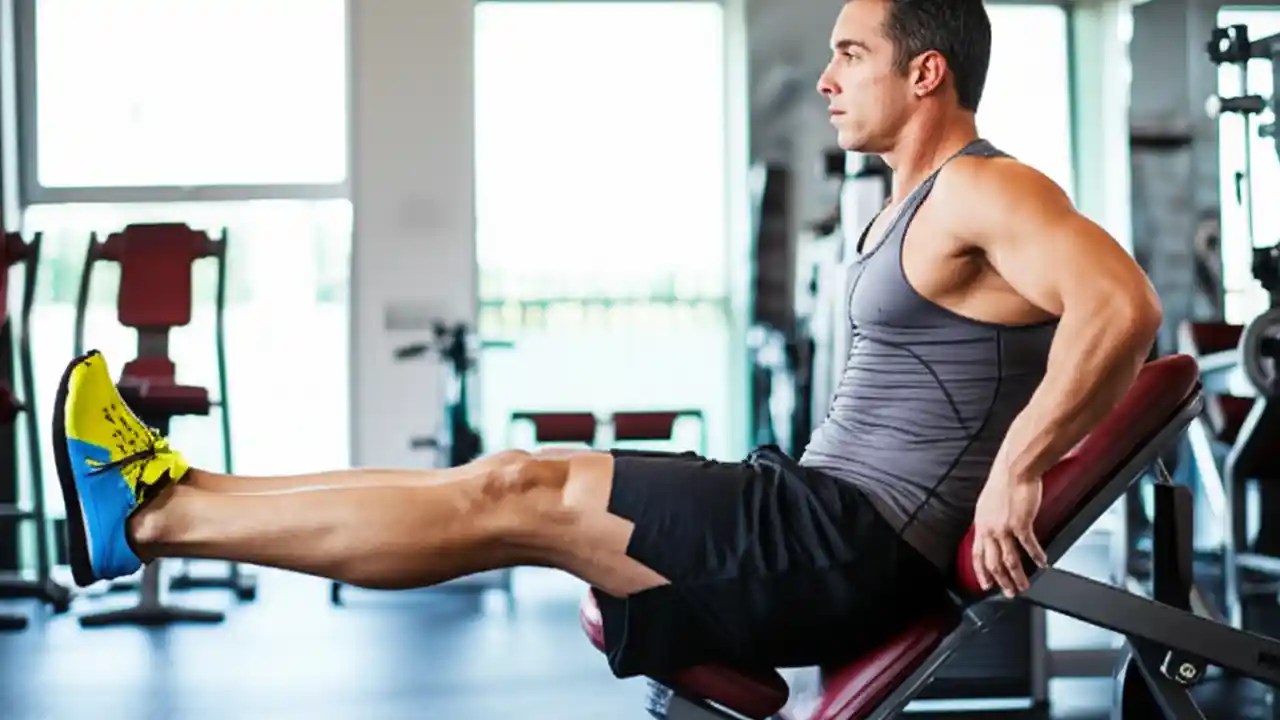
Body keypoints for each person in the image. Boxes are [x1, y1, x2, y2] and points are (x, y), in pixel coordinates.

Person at [54, 0, 1161, 681]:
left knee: (512, 496)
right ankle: (169, 488)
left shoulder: (987, 186)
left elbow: (1120, 303)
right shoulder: (897, 209)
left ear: (925, 71)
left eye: (849, 52)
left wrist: (1016, 474)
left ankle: (157, 517)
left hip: (848, 548)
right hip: (813, 515)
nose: (825, 77)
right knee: (502, 483)